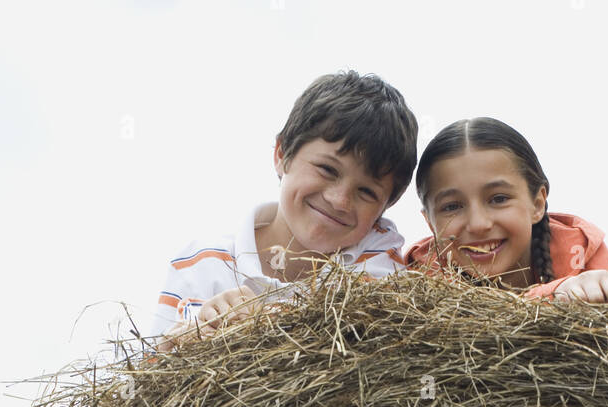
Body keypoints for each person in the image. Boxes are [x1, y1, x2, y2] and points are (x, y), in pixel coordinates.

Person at [150, 71, 417, 346]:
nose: (340, 200)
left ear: (387, 205)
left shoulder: (377, 254)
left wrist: (260, 319)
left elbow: (369, 333)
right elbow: (151, 372)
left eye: (366, 192)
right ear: (281, 154)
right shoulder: (199, 266)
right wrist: (177, 344)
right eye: (327, 169)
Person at [405, 118, 608, 304]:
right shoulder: (421, 274)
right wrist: (553, 294)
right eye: (452, 207)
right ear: (429, 223)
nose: (478, 224)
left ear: (538, 204)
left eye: (498, 199)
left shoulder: (578, 248)